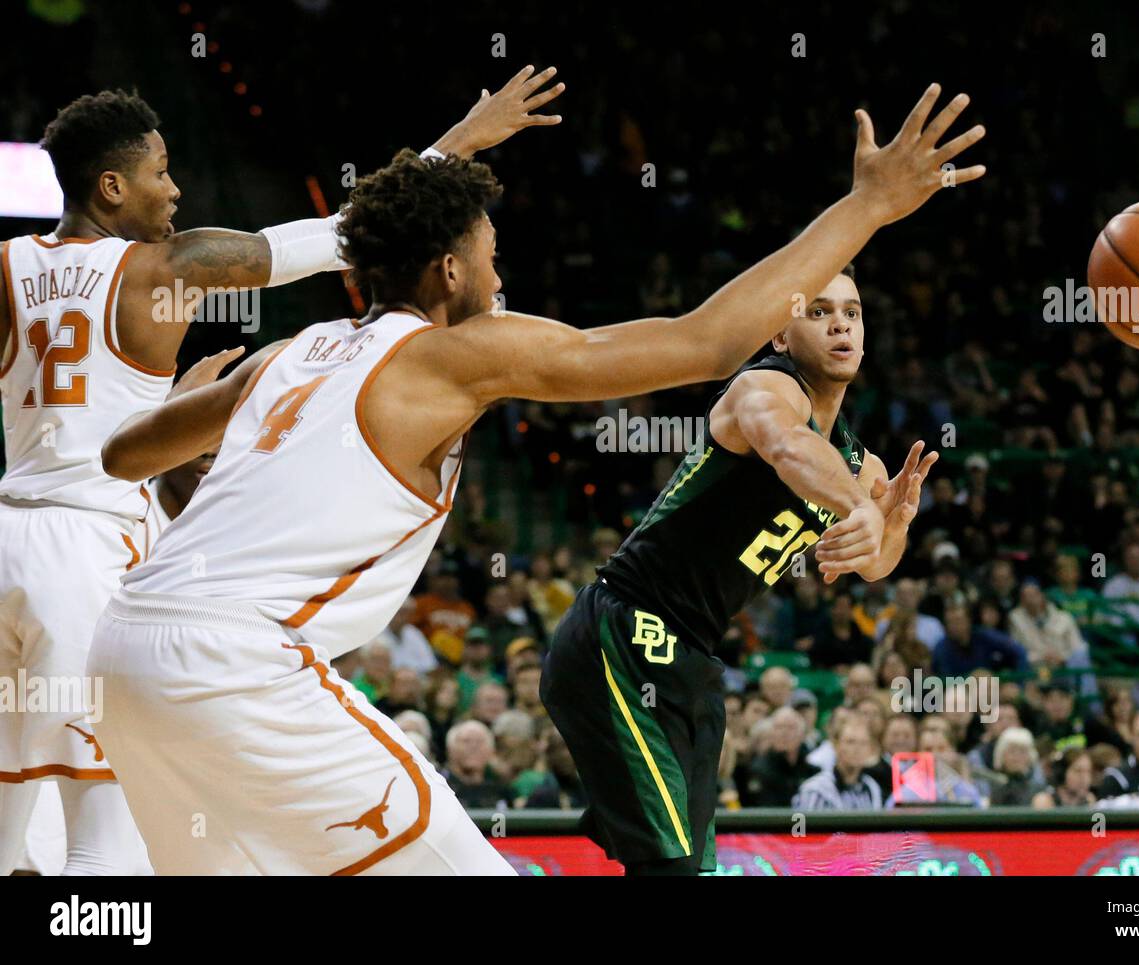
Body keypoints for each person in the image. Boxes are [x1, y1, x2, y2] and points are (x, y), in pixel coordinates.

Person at [86, 84, 986, 875]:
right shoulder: (454, 354)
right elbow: (707, 340)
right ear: (449, 271)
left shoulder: (289, 354)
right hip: (234, 662)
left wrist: (208, 403)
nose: (500, 272)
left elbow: (123, 455)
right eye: (489, 253)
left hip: (121, 652)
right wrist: (864, 207)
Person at [0, 75, 553, 877]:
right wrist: (459, 140)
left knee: (16, 814)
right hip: (90, 545)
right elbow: (340, 235)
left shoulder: (7, 265)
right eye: (159, 172)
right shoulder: (166, 268)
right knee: (103, 833)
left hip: (11, 528)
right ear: (111, 185)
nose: (175, 187)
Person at [541, 92, 985, 868]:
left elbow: (865, 564)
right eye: (821, 310)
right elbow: (787, 449)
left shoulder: (863, 462)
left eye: (852, 312)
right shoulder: (761, 389)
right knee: (674, 869)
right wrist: (861, 507)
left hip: (695, 661)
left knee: (692, 863)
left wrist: (894, 522)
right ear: (783, 329)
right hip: (623, 629)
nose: (842, 324)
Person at [792, 713, 884, 810]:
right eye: (850, 742)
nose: (857, 749)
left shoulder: (871, 787)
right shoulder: (815, 789)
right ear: (836, 746)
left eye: (863, 743)